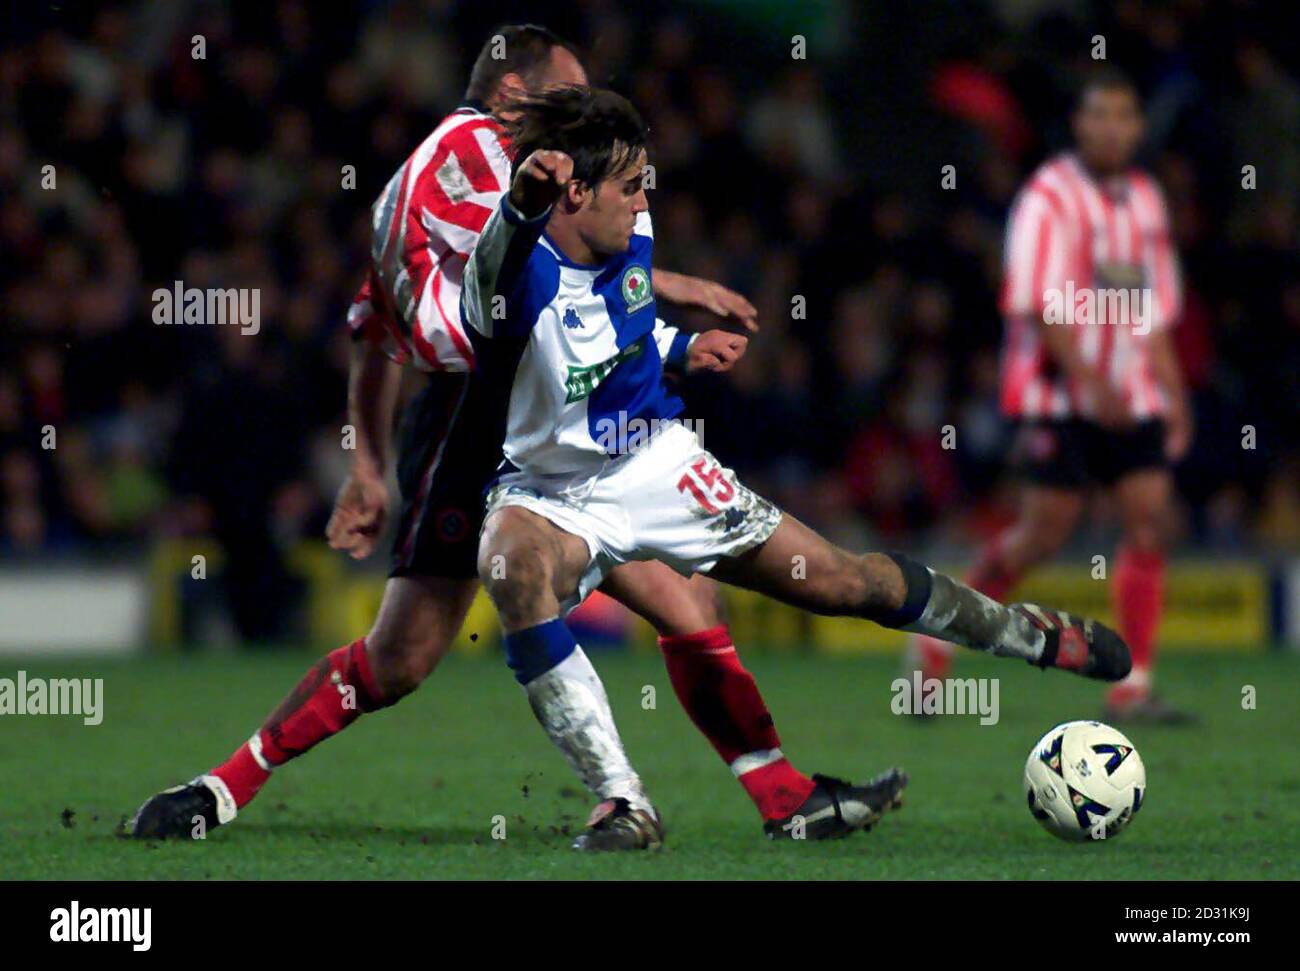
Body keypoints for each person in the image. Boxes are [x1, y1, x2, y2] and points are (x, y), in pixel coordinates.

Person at [131, 26, 876, 852]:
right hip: (480, 418)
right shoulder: (491, 156)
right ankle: (223, 784)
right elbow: (530, 268)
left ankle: (758, 798)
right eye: (570, 100)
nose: (585, 126)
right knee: (403, 656)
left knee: (683, 598)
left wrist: (370, 469)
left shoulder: (421, 178)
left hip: (527, 414)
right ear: (515, 99)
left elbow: (371, 325)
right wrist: (672, 282)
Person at [461, 85, 1133, 844]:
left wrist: (681, 348)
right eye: (628, 186)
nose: (644, 200)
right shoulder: (520, 277)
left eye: (645, 180)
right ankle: (623, 801)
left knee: (845, 581)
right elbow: (487, 284)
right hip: (549, 491)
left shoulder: (630, 227)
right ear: (573, 193)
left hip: (650, 461)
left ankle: (1026, 636)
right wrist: (517, 209)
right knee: (511, 565)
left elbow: (621, 322)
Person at [906, 68, 1191, 723]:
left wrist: (1172, 392)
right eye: (1099, 116)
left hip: (1131, 395)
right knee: (1040, 534)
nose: (1111, 128)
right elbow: (1037, 303)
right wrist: (1091, 384)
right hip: (1060, 396)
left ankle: (1133, 684)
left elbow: (1153, 309)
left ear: (1138, 128)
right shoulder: (1047, 197)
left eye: (1124, 116)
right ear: (1079, 126)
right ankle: (932, 642)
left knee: (1150, 519)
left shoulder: (1145, 198)